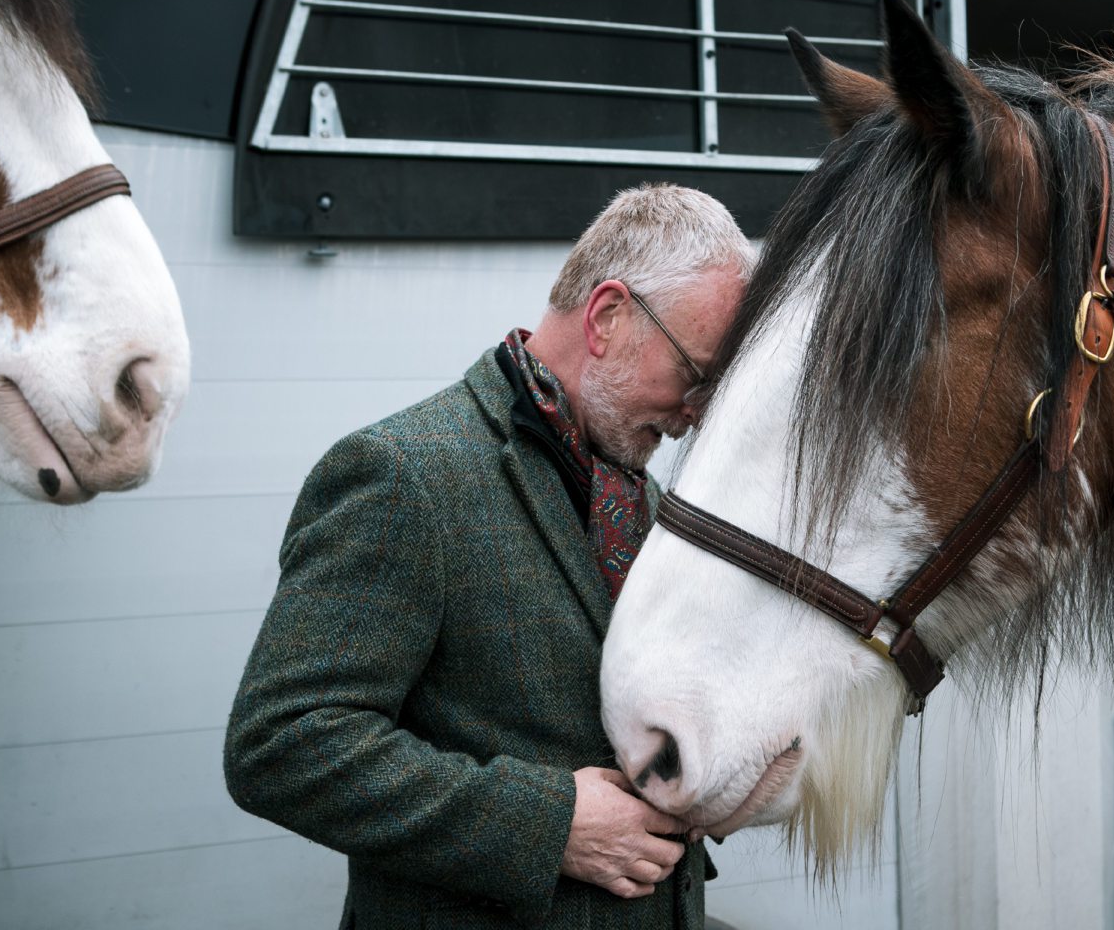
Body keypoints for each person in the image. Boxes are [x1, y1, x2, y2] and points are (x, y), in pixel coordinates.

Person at [223, 184, 752, 929]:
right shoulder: (402, 475)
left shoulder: (645, 497)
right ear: (607, 317)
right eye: (696, 376)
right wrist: (550, 825)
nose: (697, 415)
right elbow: (280, 745)